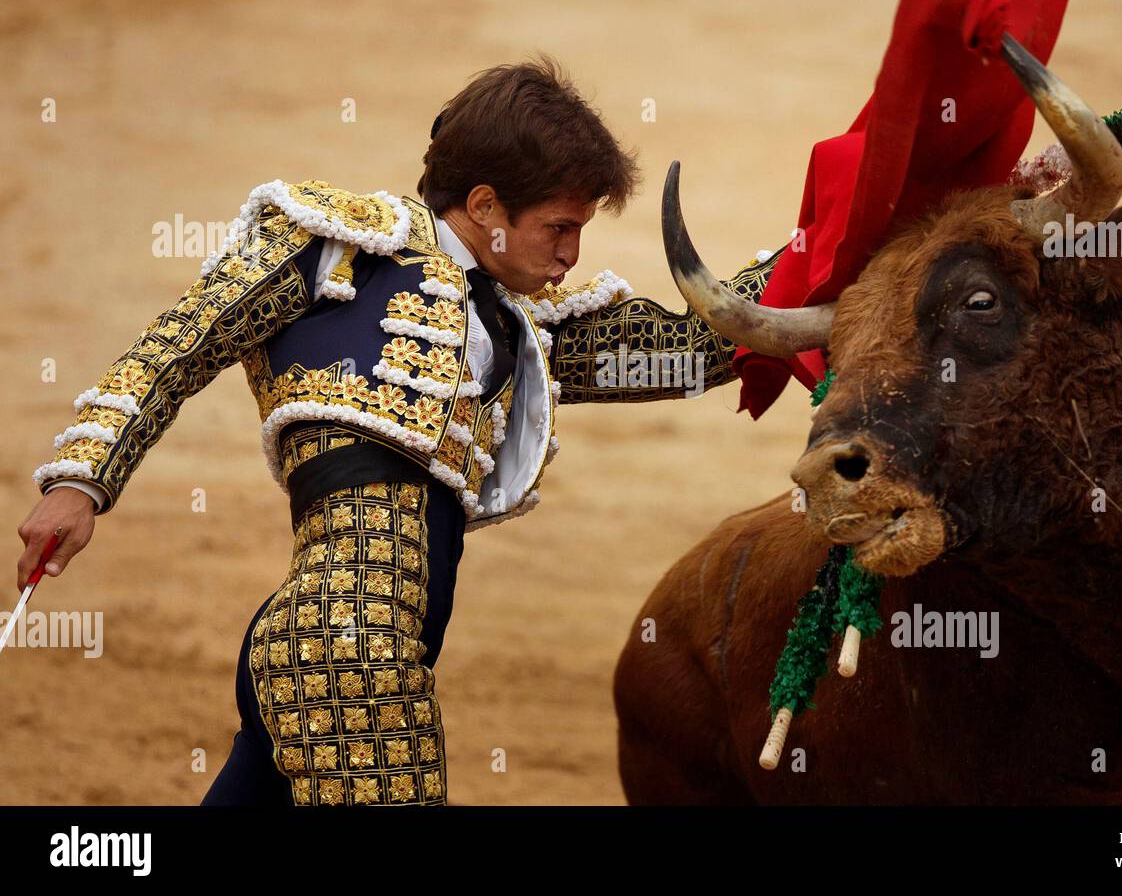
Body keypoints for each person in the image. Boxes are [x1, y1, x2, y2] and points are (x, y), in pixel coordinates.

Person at [17, 55, 778, 806]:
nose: (572, 255)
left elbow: (689, 351)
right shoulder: (336, 247)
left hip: (334, 654)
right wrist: (80, 480)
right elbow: (177, 347)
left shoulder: (525, 331)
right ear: (484, 207)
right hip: (353, 653)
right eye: (558, 227)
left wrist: (841, 246)